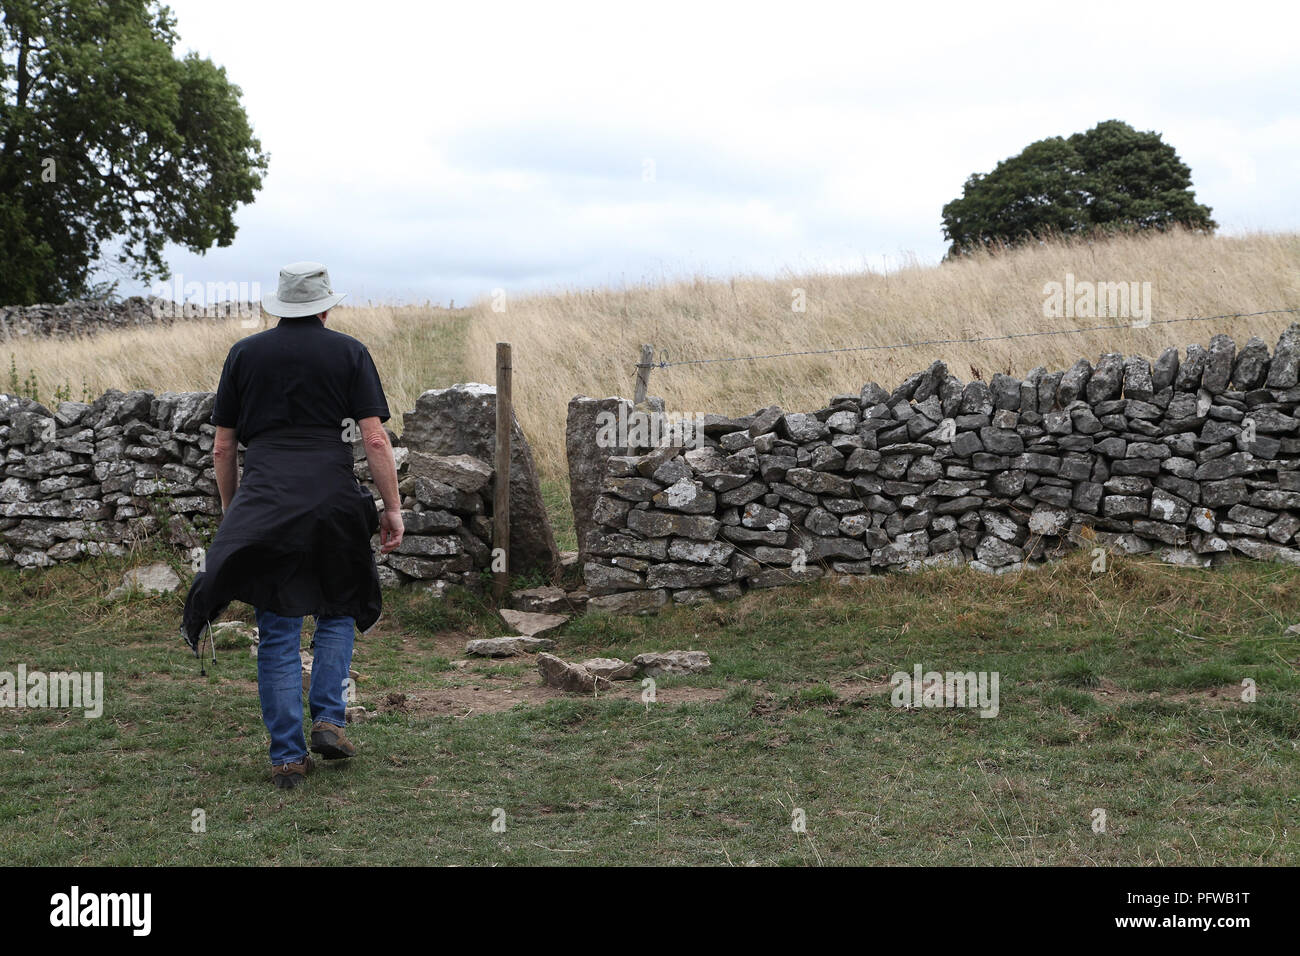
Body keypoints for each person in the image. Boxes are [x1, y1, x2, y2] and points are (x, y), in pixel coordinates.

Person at [180, 261, 404, 789]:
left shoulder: (244, 354)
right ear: (325, 305)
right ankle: (328, 719)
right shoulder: (349, 351)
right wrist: (391, 507)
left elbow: (223, 446)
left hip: (268, 501)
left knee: (278, 630)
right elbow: (374, 440)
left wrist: (239, 511)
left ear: (279, 306)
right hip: (331, 499)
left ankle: (286, 757)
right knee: (338, 607)